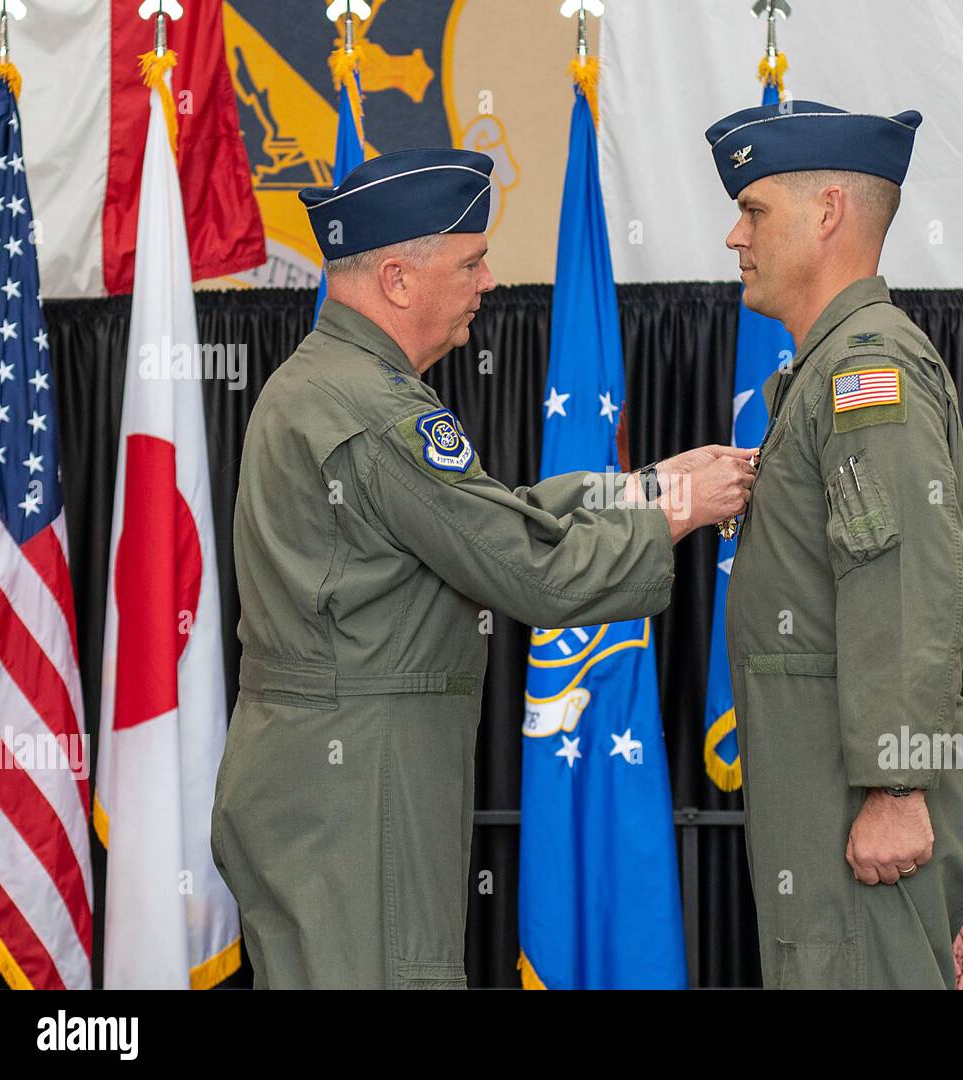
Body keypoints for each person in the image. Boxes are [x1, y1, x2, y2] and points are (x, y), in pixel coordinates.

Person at [210, 147, 755, 989]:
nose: (489, 281)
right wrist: (676, 511)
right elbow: (530, 572)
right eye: (470, 262)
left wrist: (644, 484)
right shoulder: (376, 413)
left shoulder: (328, 383)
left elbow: (488, 517)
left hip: (326, 777)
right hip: (360, 788)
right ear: (396, 278)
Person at [704, 102, 963, 988]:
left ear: (827, 211)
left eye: (753, 211)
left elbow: (903, 582)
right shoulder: (828, 367)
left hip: (862, 798)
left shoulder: (869, 372)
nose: (732, 236)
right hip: (823, 786)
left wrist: (898, 789)